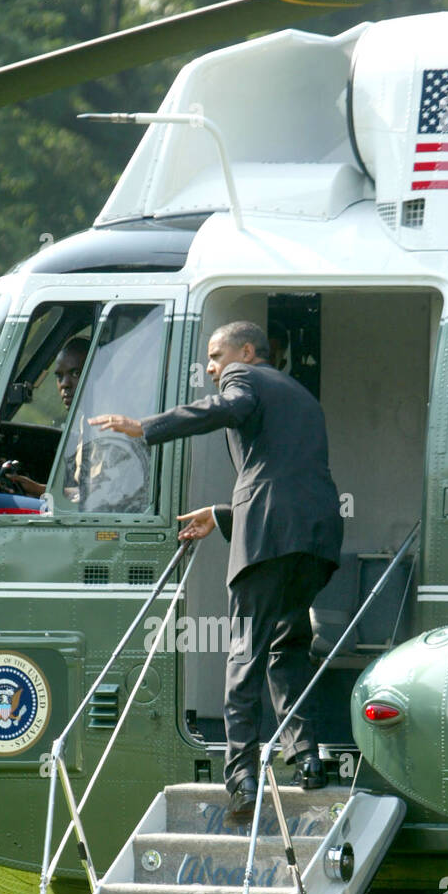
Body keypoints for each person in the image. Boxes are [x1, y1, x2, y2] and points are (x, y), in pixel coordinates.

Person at [89, 320, 343, 825]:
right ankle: (307, 759)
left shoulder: (243, 379)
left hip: (269, 535)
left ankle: (242, 779)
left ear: (247, 351)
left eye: (215, 356)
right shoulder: (301, 397)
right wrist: (225, 515)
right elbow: (282, 475)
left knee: (245, 652)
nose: (209, 368)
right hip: (315, 538)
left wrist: (146, 428)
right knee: (287, 646)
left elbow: (233, 410)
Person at [0, 336, 90, 513]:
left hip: (85, 517)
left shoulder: (103, 423)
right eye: (59, 376)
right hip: (83, 511)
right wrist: (38, 489)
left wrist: (42, 492)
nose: (64, 385)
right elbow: (87, 492)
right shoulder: (89, 419)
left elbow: (96, 498)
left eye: (75, 373)